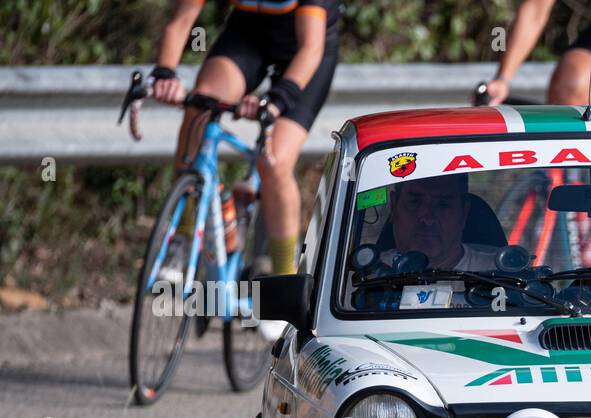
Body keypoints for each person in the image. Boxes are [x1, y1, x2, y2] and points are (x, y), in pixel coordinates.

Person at [149, 0, 341, 275]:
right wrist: (165, 74)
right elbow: (180, 23)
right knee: (198, 108)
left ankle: (284, 276)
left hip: (307, 51)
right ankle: (184, 235)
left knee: (274, 161)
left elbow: (311, 48)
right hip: (248, 37)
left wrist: (276, 101)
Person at [385, 175, 501, 272]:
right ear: (394, 207)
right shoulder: (369, 277)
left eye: (443, 205)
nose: (428, 220)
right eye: (415, 202)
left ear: (464, 214)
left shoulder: (503, 278)